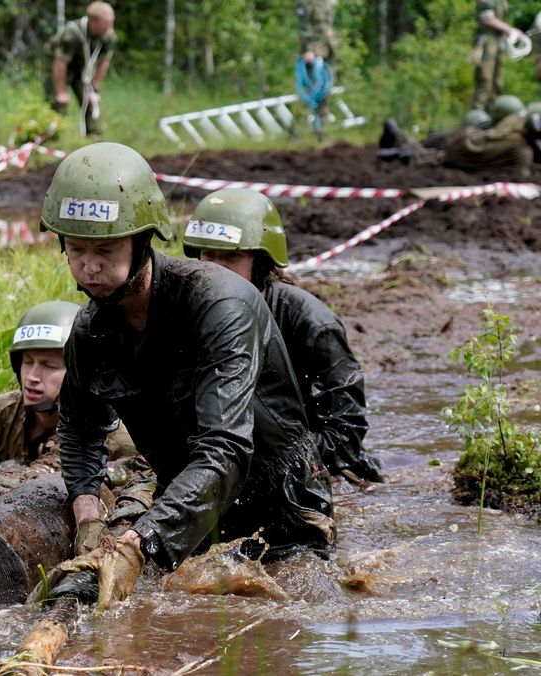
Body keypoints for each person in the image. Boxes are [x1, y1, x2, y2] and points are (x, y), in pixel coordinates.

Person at [40, 143, 335, 580]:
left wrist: (141, 543)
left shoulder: (221, 303)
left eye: (104, 250)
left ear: (143, 241)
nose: (89, 268)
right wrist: (88, 513)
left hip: (283, 515)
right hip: (186, 511)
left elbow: (227, 446)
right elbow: (80, 428)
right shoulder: (91, 331)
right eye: (76, 251)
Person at [182, 188, 385, 486]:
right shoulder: (188, 314)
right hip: (225, 453)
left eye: (231, 258)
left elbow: (346, 430)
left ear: (261, 263)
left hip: (307, 462)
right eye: (208, 256)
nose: (215, 270)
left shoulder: (313, 324)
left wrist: (287, 468)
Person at [0, 300, 136, 470]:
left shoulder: (117, 438)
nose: (32, 376)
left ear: (82, 373)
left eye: (48, 365)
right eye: (27, 362)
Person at [378, 95, 538, 174]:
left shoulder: (514, 122)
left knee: (434, 148)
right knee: (434, 158)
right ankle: (401, 152)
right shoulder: (521, 150)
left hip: (466, 136)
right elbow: (520, 173)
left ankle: (401, 143)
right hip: (464, 150)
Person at [45, 1, 116, 136]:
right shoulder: (72, 34)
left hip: (82, 68)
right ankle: (52, 137)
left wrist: (94, 89)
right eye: (106, 23)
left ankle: (93, 136)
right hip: (58, 65)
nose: (110, 26)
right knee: (56, 102)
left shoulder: (108, 36)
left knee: (90, 101)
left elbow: (103, 63)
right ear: (93, 21)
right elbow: (60, 62)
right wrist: (60, 92)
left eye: (111, 22)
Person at [471, 0, 525, 110]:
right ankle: (477, 115)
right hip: (487, 43)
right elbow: (488, 19)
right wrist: (510, 30)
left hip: (498, 43)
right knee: (485, 80)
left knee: (497, 83)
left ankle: (492, 114)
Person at [295, 49, 334, 140]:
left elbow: (331, 52)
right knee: (302, 110)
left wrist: (318, 55)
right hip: (308, 89)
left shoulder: (323, 66)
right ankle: (296, 136)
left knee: (322, 111)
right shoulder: (303, 66)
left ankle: (322, 135)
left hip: (322, 88)